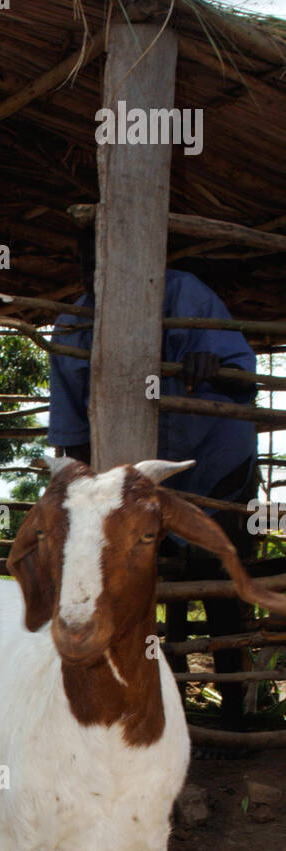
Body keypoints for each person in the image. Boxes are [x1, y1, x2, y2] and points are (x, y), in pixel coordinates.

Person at [48, 230, 258, 732]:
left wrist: (214, 369)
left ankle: (231, 717)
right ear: (80, 268)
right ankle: (148, 710)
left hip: (216, 472)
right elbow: (73, 438)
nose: (97, 271)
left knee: (219, 587)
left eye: (108, 257)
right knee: (129, 596)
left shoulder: (185, 295)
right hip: (133, 488)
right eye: (88, 262)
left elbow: (244, 378)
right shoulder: (72, 329)